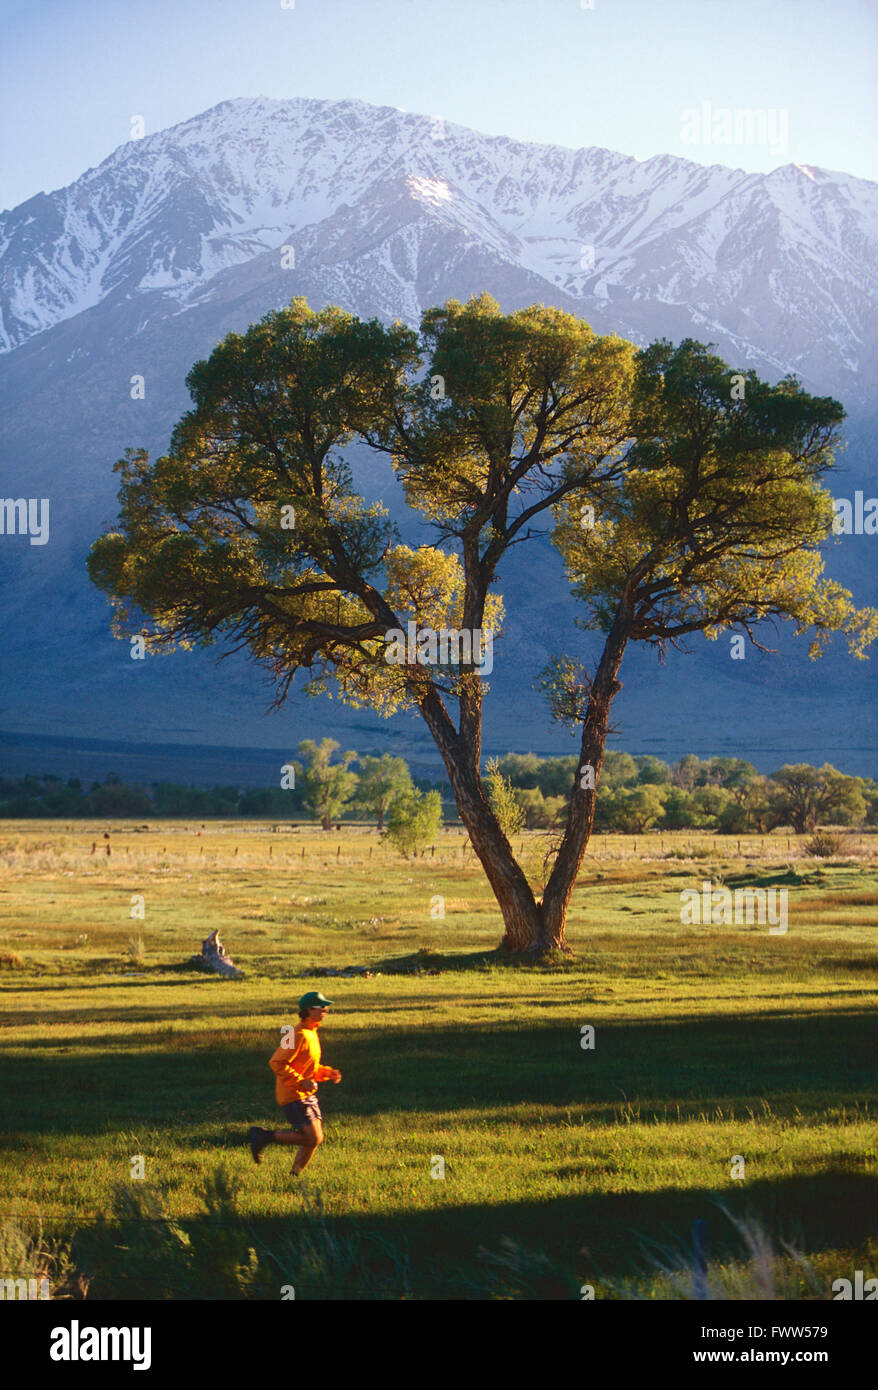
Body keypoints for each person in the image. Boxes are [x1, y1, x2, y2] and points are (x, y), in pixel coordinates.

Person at [247, 991, 341, 1173]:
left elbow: (308, 1067)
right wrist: (300, 1082)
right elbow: (276, 1063)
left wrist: (327, 1073)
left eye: (326, 1007)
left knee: (314, 1139)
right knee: (313, 1138)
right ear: (308, 1010)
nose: (326, 1010)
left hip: (306, 1093)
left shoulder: (312, 1033)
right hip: (293, 1095)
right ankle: (264, 1136)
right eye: (321, 1007)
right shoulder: (294, 1034)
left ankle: (294, 1176)